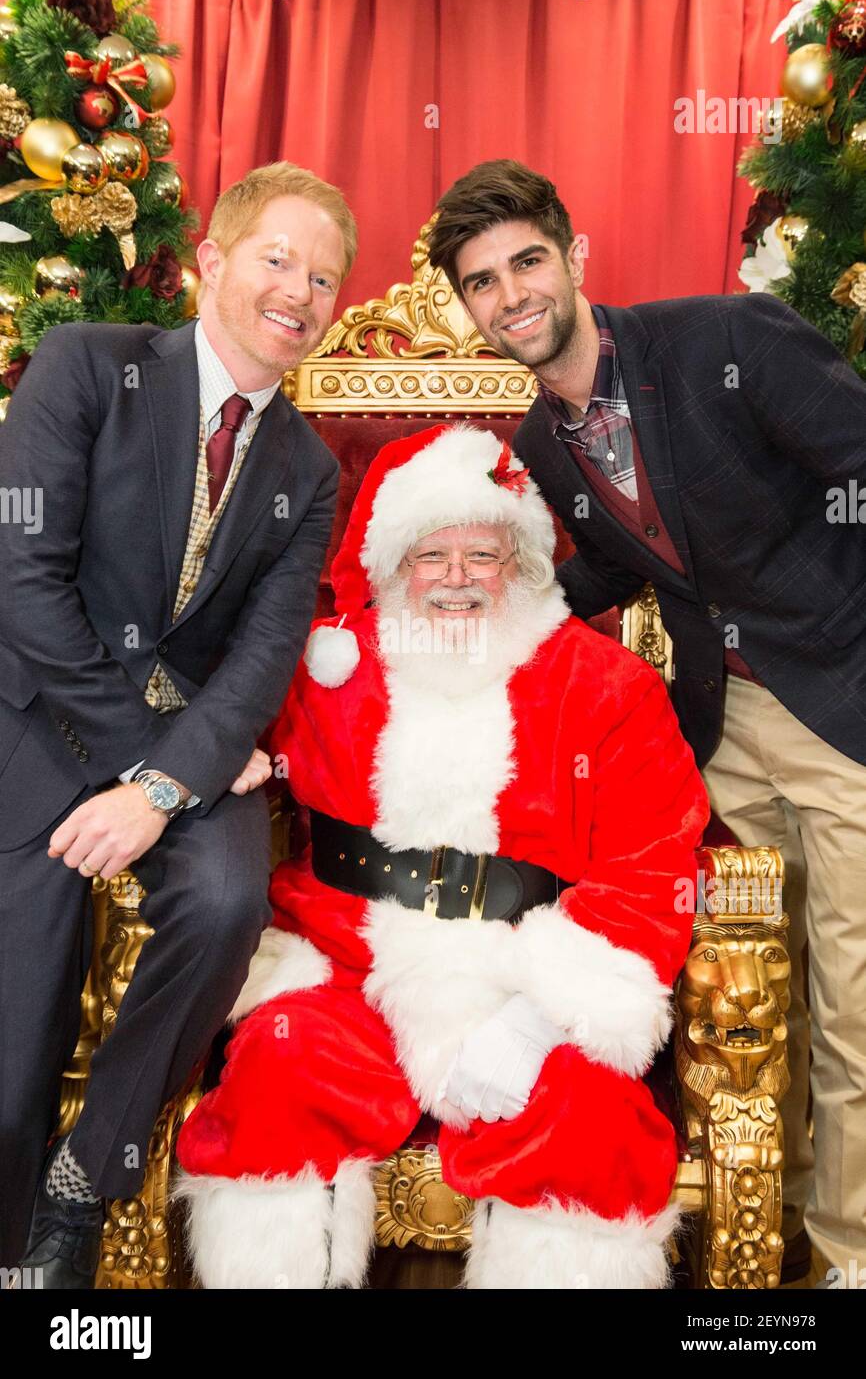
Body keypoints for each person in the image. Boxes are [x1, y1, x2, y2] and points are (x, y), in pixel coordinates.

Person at [426, 159, 866, 1281]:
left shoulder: (729, 339)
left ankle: (848, 1257)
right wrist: (482, 628)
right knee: (754, 985)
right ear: (466, 309)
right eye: (481, 282)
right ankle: (768, 1236)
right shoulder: (538, 446)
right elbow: (615, 573)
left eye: (526, 261)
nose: (510, 294)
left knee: (852, 1003)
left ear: (573, 259)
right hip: (718, 736)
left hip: (837, 705)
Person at [171, 422, 709, 1289]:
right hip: (347, 961)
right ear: (393, 566)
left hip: (525, 972)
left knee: (587, 1115)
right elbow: (223, 724)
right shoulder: (327, 668)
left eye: (483, 555)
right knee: (279, 1063)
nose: (456, 580)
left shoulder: (608, 687)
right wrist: (221, 757)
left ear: (524, 564)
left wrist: (538, 1018)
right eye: (432, 554)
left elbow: (652, 867)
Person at [0, 161, 355, 1286]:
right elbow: (20, 582)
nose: (301, 291)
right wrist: (144, 766)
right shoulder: (86, 368)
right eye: (278, 258)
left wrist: (162, 790)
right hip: (40, 714)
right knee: (13, 1035)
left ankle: (85, 1177)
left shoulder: (310, 469)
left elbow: (258, 663)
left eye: (326, 279)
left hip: (187, 753)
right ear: (211, 259)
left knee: (225, 897)